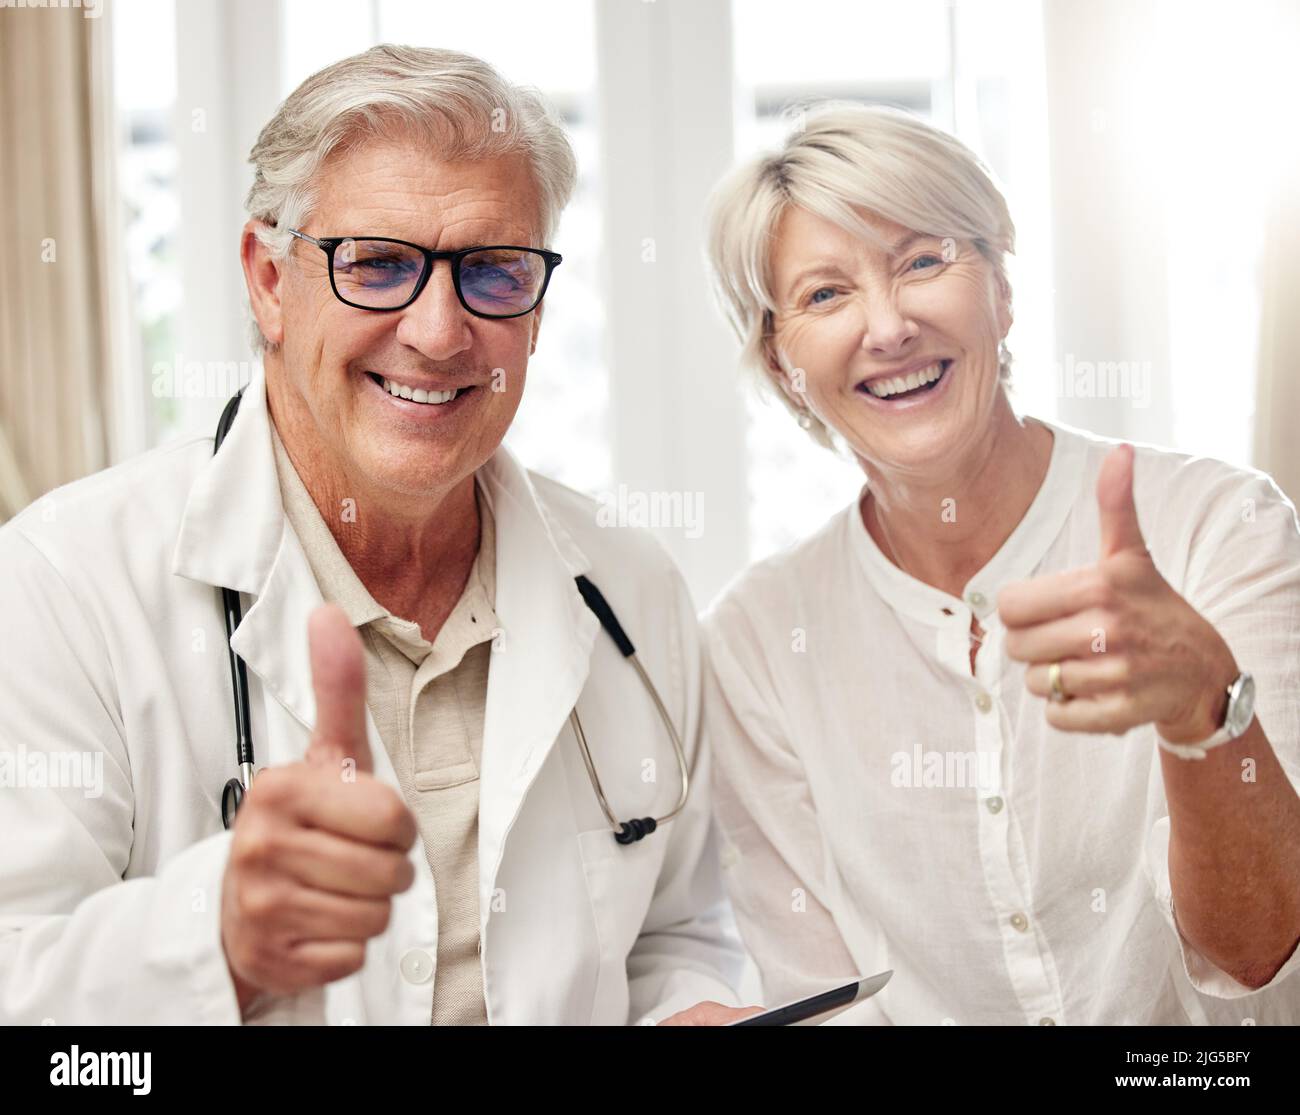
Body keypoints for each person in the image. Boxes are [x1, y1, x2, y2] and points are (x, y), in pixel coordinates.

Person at [0, 44, 745, 1026]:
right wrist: (213, 941)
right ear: (268, 280)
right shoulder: (64, 582)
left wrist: (688, 1009)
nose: (438, 333)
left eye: (492, 272)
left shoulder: (629, 586)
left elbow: (675, 933)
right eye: (380, 265)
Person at [699, 101, 1300, 1024]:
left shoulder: (1219, 528)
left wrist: (1203, 712)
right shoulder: (755, 643)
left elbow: (1261, 948)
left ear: (1002, 292)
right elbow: (825, 1002)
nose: (890, 325)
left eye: (922, 261)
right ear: (783, 363)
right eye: (826, 294)